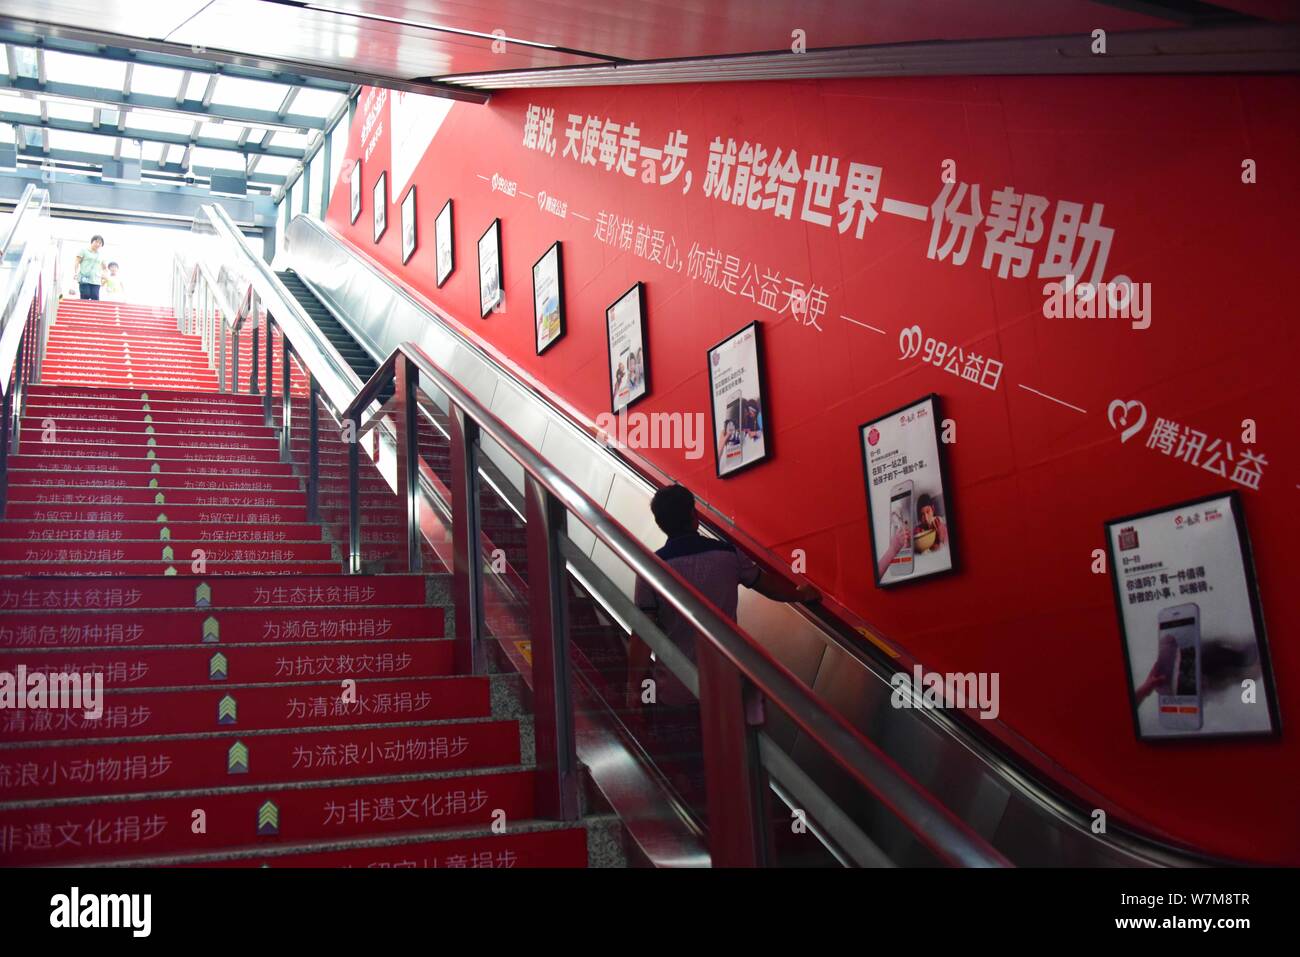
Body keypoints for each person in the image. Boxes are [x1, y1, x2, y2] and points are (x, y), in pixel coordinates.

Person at [626, 484, 817, 806]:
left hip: (675, 691)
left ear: (660, 523)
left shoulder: (651, 569)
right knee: (728, 766)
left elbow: (643, 634)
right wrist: (800, 594)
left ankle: (698, 829)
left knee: (686, 769)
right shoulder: (727, 555)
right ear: (694, 515)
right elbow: (767, 586)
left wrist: (634, 690)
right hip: (724, 688)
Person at [74, 234, 107, 301]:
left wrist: (104, 276)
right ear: (92, 242)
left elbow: (104, 267)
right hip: (84, 277)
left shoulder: (101, 255)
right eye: (96, 242)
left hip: (96, 279)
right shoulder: (83, 250)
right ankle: (82, 310)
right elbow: (77, 262)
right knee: (86, 294)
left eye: (100, 243)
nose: (98, 244)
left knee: (95, 296)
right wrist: (75, 272)